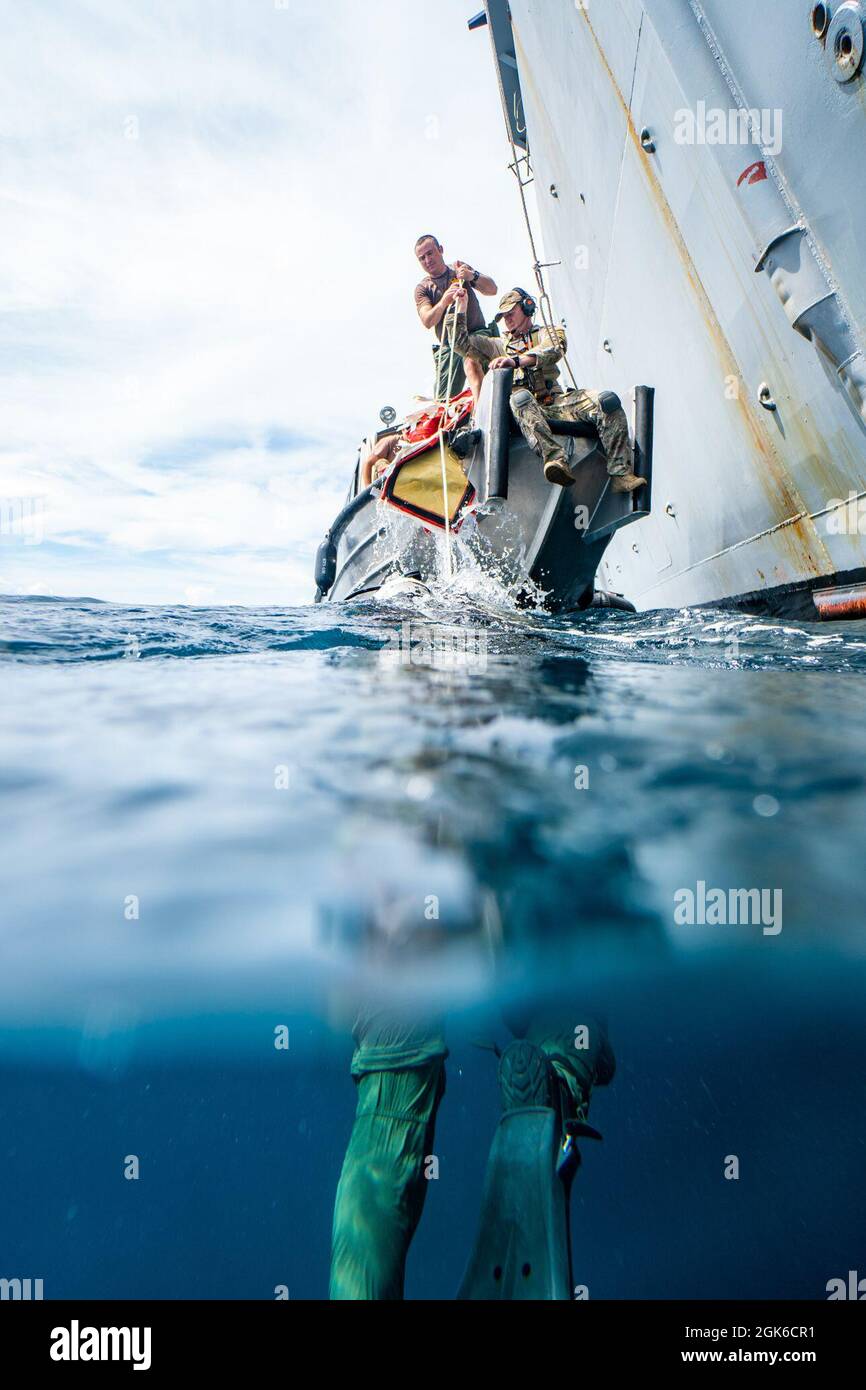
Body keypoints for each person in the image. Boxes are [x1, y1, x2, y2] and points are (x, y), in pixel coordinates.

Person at [452, 285, 646, 492]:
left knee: (606, 402)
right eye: (504, 316)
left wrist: (516, 361)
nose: (507, 320)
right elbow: (459, 343)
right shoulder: (497, 346)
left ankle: (620, 473)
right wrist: (460, 308)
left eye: (511, 313)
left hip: (555, 403)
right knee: (520, 398)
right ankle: (555, 459)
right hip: (523, 410)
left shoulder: (548, 332)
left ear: (527, 308)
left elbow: (554, 348)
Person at [414, 234, 498, 405]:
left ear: (441, 250)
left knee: (471, 362)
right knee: (443, 402)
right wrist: (445, 300)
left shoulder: (459, 270)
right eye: (422, 258)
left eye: (430, 253)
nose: (427, 260)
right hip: (450, 346)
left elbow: (492, 289)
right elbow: (427, 320)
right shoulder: (423, 289)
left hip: (475, 334)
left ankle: (484, 410)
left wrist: (472, 275)